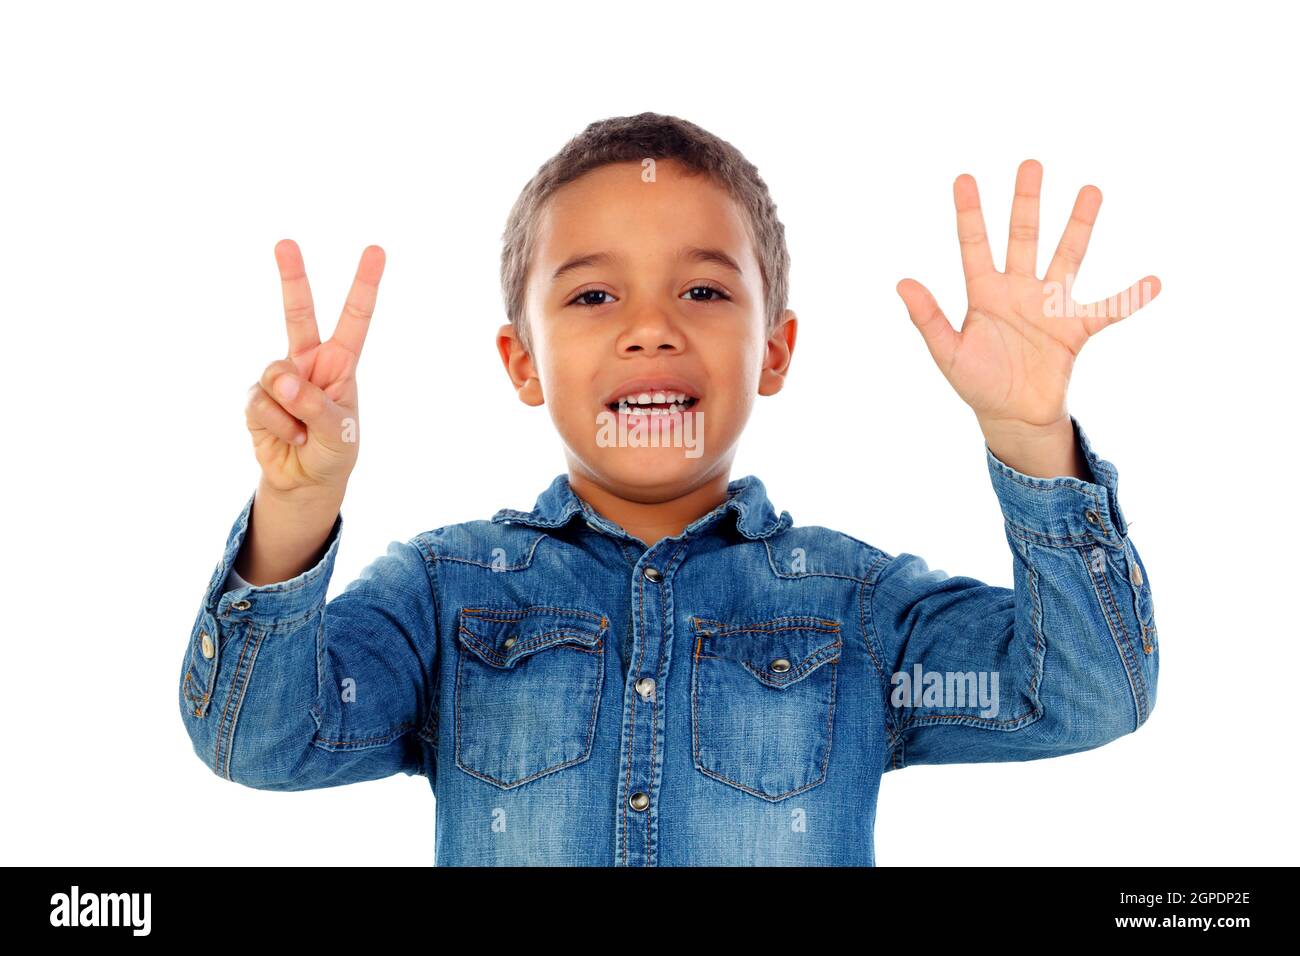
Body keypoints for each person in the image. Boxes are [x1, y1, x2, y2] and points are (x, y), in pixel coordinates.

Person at [178, 112, 1161, 866]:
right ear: (522, 363)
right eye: (594, 294)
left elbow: (1084, 693)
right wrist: (296, 510)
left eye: (702, 290)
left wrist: (1029, 437)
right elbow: (259, 739)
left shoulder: (856, 605)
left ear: (774, 349)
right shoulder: (446, 590)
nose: (650, 327)